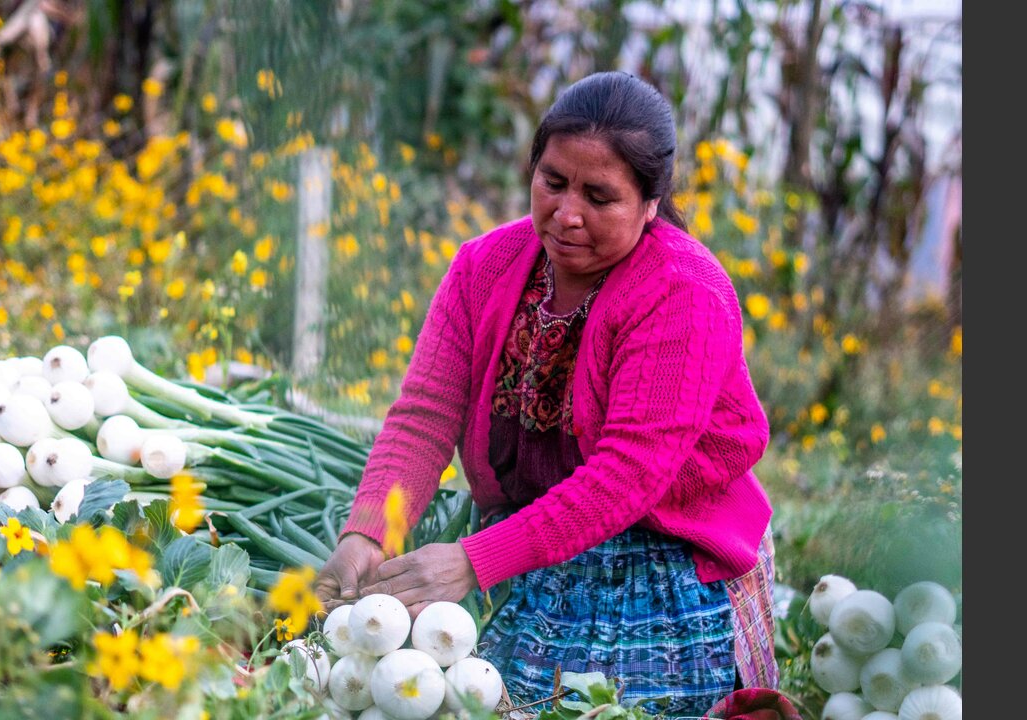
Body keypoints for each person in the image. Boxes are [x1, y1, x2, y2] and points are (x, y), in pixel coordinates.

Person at [313, 71, 777, 717]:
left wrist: (473, 562)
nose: (566, 214)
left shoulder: (683, 290)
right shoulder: (485, 267)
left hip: (663, 550)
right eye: (552, 182)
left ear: (650, 201)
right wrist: (370, 533)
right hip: (529, 534)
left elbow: (627, 476)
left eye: (600, 196)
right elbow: (424, 417)